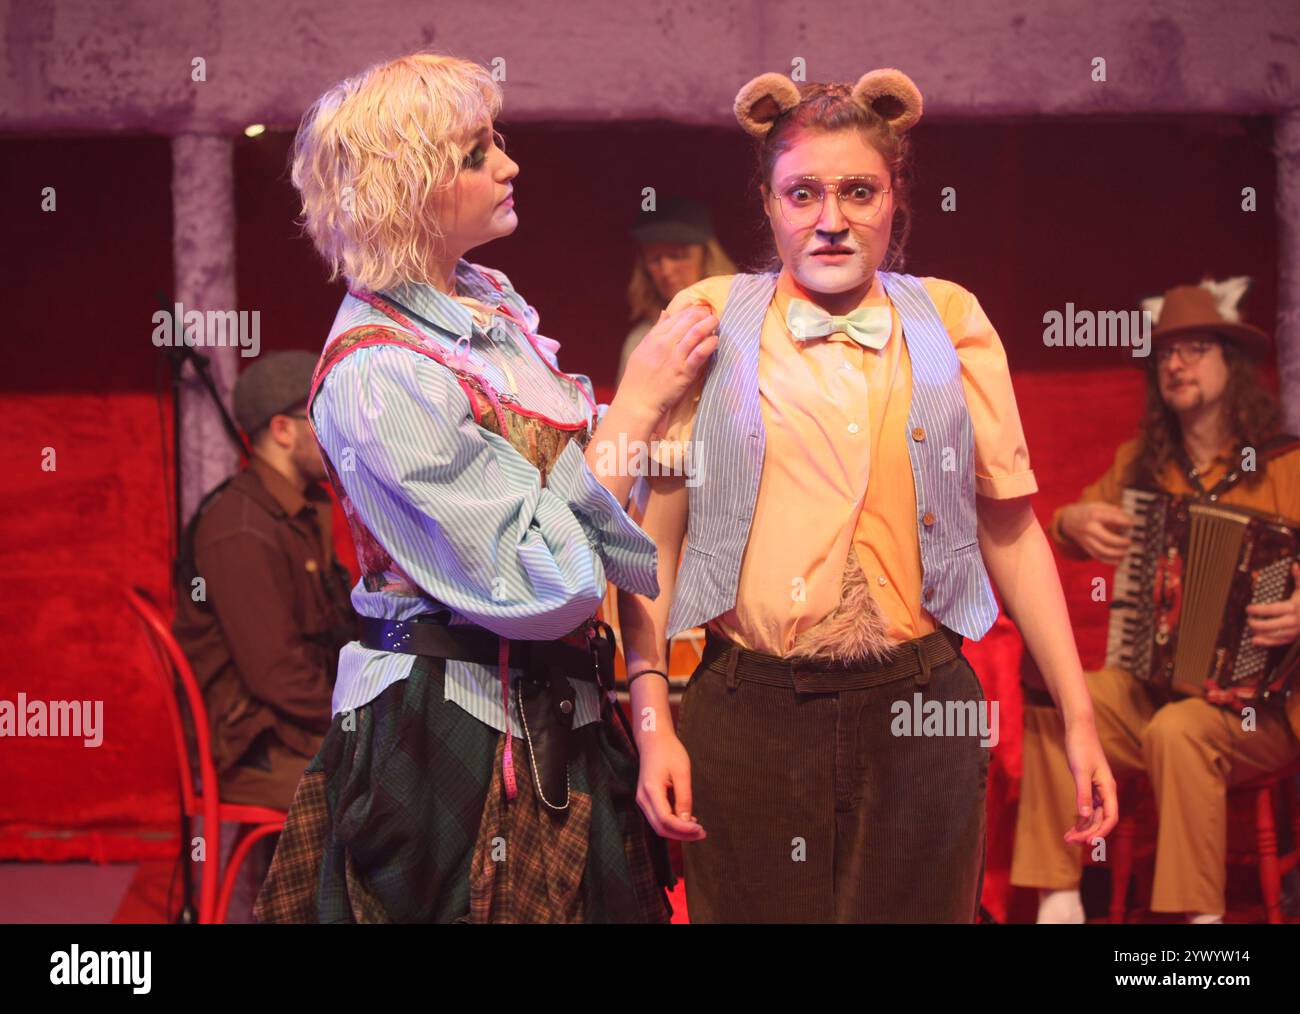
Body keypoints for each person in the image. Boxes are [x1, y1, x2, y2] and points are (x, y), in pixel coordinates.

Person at [617, 68, 1116, 923]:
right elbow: (654, 538)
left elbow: (1012, 529)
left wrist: (1078, 715)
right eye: (802, 192)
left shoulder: (951, 319)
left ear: (895, 201)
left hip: (921, 708)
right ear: (769, 205)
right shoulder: (707, 316)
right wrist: (653, 712)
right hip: (748, 711)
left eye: (858, 190)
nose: (831, 218)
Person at [253, 52, 718, 923]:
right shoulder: (381, 374)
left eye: (495, 140)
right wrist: (640, 406)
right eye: (475, 153)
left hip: (564, 718)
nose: (507, 163)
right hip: (451, 741)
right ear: (411, 189)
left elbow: (600, 521)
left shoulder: (489, 309)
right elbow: (533, 582)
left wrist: (646, 710)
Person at [1011, 278, 1300, 924]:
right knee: (1058, 706)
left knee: (1181, 729)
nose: (1176, 363)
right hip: (1155, 690)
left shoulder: (1285, 466)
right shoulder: (1141, 464)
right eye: (1166, 352)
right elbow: (1065, 526)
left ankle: (1197, 929)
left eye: (1196, 348)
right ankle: (1060, 906)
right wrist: (1074, 520)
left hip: (1266, 709)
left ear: (1232, 363)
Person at [172, 350, 356, 920]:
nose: (335, 433)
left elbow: (336, 627)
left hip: (284, 724)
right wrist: (360, 719)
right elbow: (276, 675)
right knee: (400, 776)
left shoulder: (298, 511)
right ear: (282, 430)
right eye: (320, 419)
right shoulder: (241, 528)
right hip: (254, 744)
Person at [616, 196, 736, 384]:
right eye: (655, 259)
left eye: (677, 256)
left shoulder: (738, 323)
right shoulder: (641, 340)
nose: (666, 270)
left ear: (706, 257)